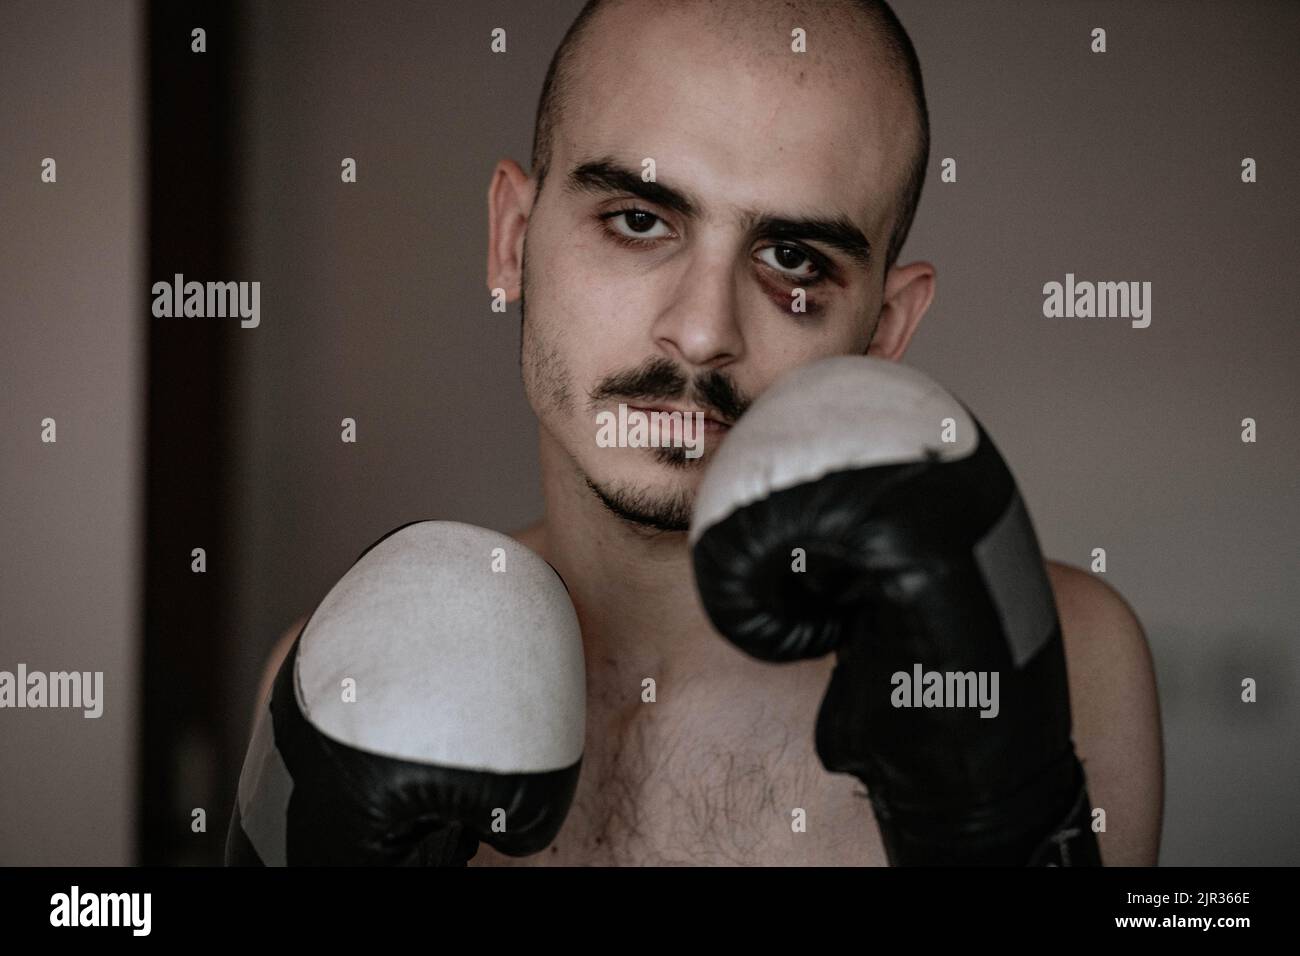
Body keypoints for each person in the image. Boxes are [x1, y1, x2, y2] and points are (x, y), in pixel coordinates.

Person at [251, 0, 1163, 865]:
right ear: (512, 239)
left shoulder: (1069, 663)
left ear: (884, 330)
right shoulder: (337, 679)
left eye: (793, 259)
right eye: (640, 220)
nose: (700, 331)